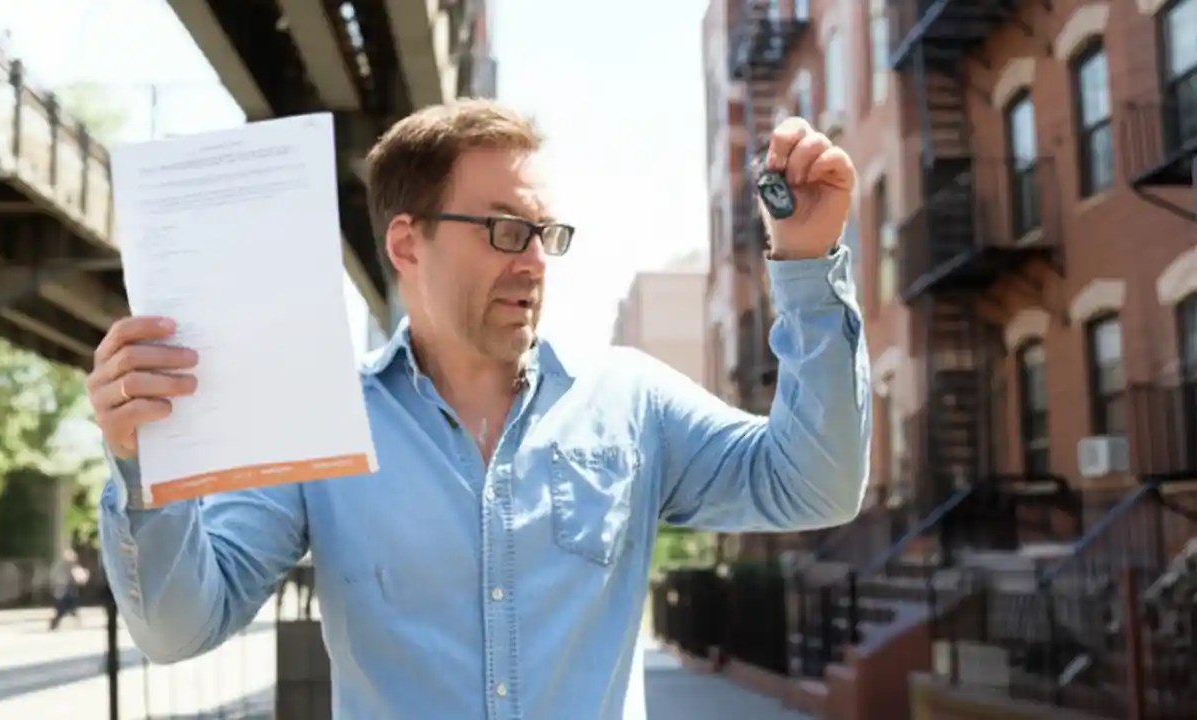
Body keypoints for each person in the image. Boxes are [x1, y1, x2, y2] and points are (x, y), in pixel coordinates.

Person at [90, 99, 870, 719]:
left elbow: (815, 486)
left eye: (543, 233)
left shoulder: (630, 400)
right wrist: (140, 461)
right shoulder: (321, 424)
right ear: (407, 244)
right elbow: (180, 628)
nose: (534, 261)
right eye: (504, 230)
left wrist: (807, 265)